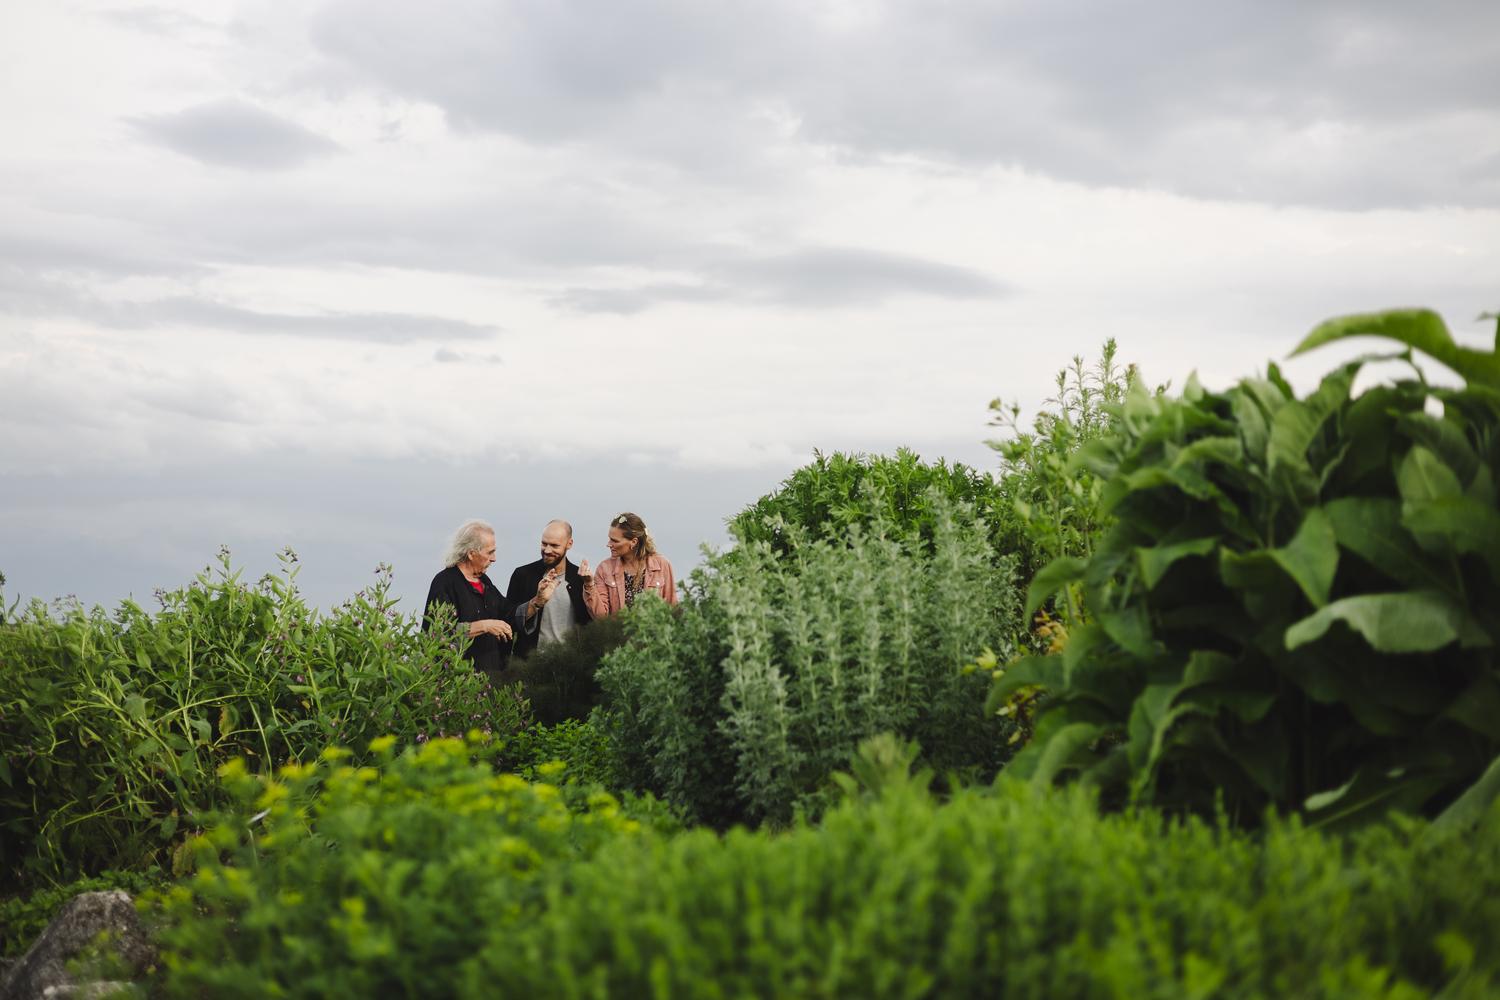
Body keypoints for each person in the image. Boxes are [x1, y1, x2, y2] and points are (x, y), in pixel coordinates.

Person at [423, 520, 514, 677]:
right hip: (458, 682)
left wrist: (538, 600)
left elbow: (509, 613)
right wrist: (484, 625)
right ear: (472, 554)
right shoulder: (445, 582)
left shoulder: (485, 582)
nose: (494, 559)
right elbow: (439, 635)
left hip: (491, 681)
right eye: (490, 552)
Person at [505, 519, 595, 657]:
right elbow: (508, 619)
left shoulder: (580, 580)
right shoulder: (522, 575)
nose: (547, 550)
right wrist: (536, 602)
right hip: (529, 665)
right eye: (544, 543)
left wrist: (589, 585)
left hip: (569, 665)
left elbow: (590, 625)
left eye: (554, 545)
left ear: (569, 544)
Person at [586, 511, 677, 616]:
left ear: (633, 542)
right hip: (618, 632)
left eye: (614, 541)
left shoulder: (662, 565)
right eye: (609, 539)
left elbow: (672, 609)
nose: (609, 544)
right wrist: (589, 584)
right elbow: (601, 617)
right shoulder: (604, 569)